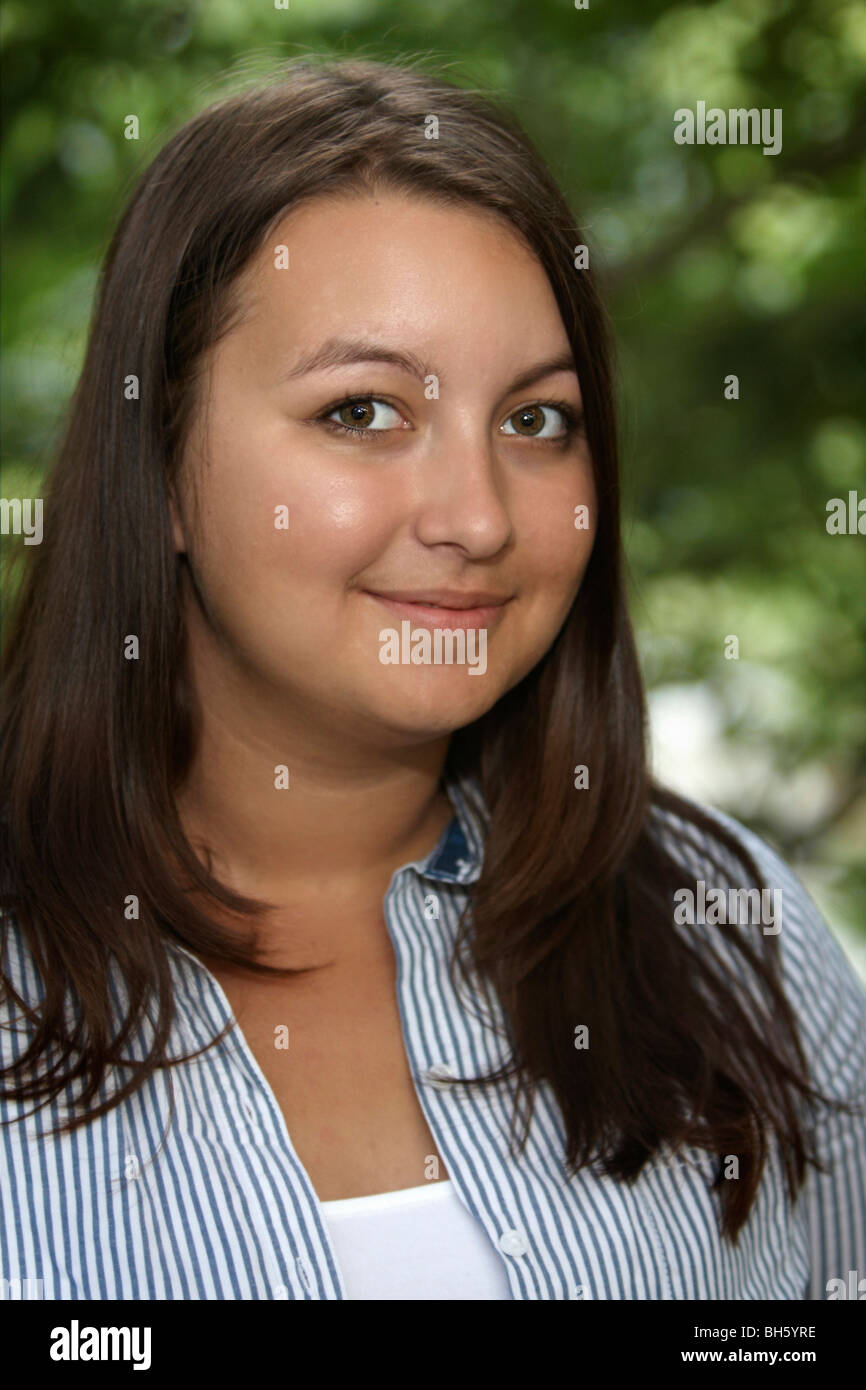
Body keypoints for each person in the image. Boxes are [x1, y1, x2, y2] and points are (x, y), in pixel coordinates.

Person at [1, 57, 863, 1302]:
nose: (475, 516)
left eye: (534, 420)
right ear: (160, 462)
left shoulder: (729, 929)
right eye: (363, 411)